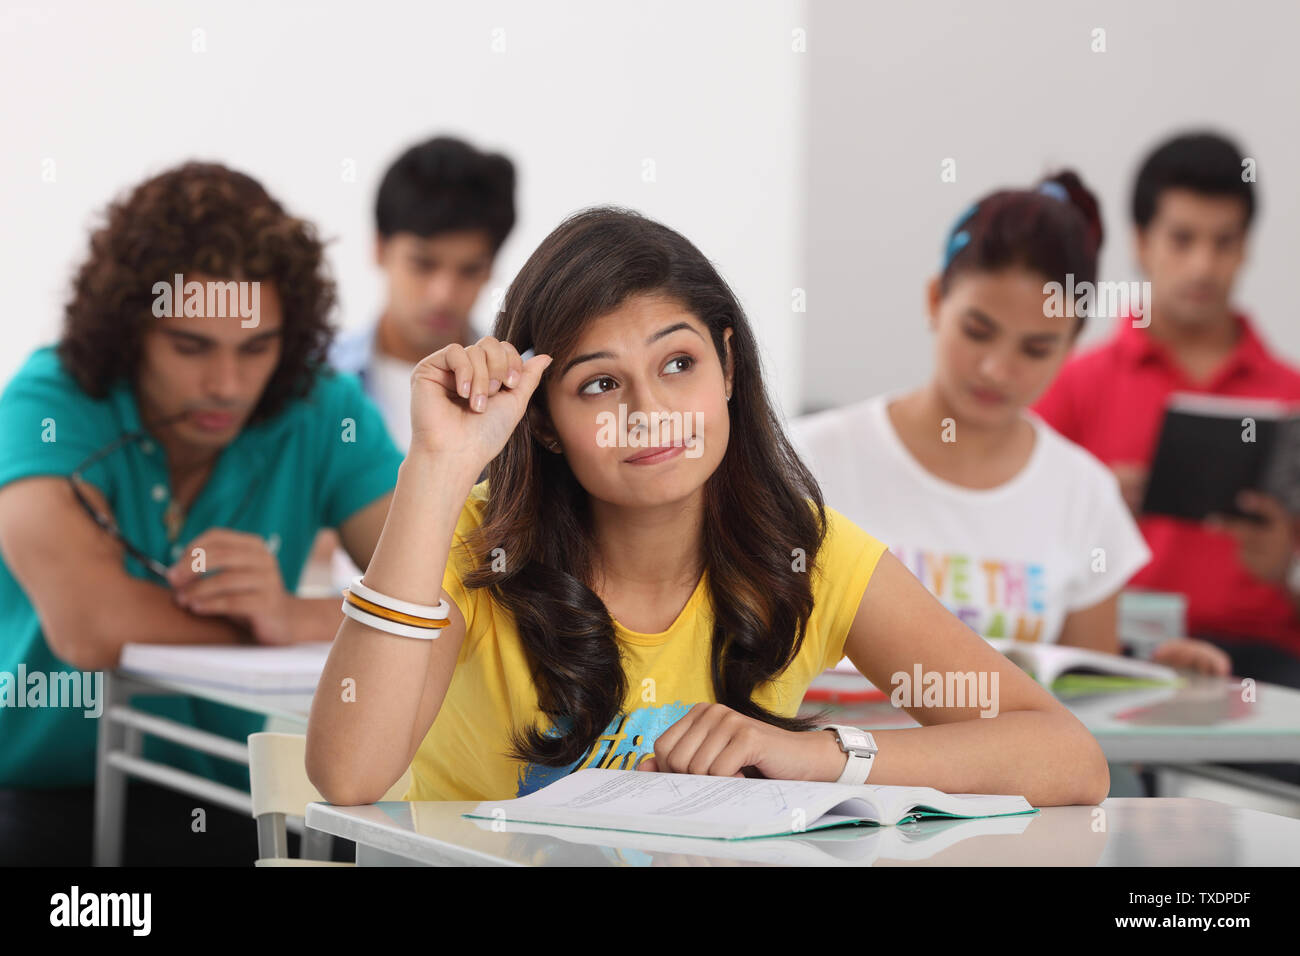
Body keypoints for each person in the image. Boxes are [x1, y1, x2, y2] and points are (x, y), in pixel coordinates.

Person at [306, 207, 1110, 810]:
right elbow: (348, 774)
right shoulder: (476, 545)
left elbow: (1065, 756)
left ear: (727, 366)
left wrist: (822, 756)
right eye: (599, 384)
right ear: (543, 422)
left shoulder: (807, 552)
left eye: (678, 363)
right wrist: (438, 468)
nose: (650, 410)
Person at [0, 162, 405, 864]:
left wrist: (294, 615)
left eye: (257, 347)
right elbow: (92, 628)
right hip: (33, 788)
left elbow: (449, 590)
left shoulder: (323, 407)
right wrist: (275, 626)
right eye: (191, 347)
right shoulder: (50, 401)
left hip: (218, 788)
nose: (227, 384)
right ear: (131, 332)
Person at [792, 171, 1228, 677]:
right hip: (839, 751)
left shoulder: (1084, 493)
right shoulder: (813, 459)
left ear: (1072, 345)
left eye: (1036, 348)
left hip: (1004, 758)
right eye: (978, 332)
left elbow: (1080, 712)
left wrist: (1161, 683)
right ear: (936, 301)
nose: (998, 369)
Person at [1032, 133, 1300, 691]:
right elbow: (1015, 543)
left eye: (1224, 242)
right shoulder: (1073, 384)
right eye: (1182, 239)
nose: (1203, 265)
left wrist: (1286, 570)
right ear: (1141, 242)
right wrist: (1092, 508)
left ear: (1246, 248)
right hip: (1117, 650)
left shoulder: (1290, 394)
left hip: (1267, 662)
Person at [329, 134, 516, 450]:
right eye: (423, 264)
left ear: (490, 269)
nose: (443, 295)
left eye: (469, 269)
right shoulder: (313, 383)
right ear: (379, 248)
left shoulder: (516, 392)